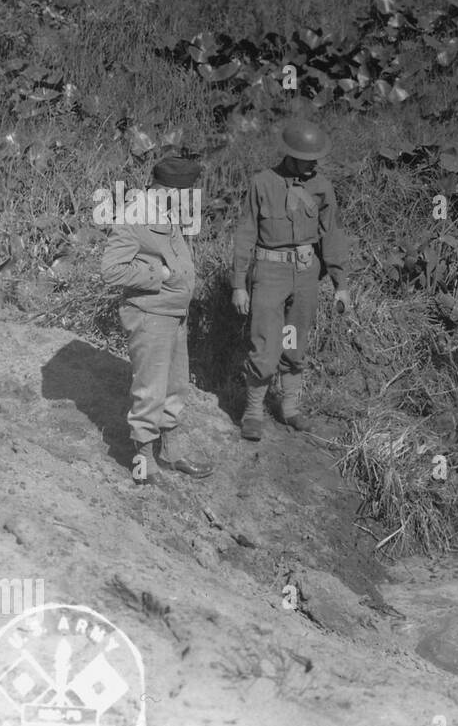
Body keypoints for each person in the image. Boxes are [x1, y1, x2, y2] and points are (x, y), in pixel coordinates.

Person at [232, 120, 351, 440]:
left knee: (294, 343)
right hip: (269, 273)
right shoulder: (263, 183)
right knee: (265, 344)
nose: (313, 163)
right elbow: (246, 233)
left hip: (305, 274)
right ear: (290, 155)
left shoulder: (322, 187)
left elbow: (332, 234)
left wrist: (341, 283)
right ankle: (254, 412)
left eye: (316, 158)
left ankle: (290, 409)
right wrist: (238, 284)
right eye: (307, 157)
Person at [101, 156, 214, 484]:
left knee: (176, 385)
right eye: (184, 193)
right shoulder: (133, 216)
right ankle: (144, 461)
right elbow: (110, 269)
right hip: (150, 315)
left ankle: (172, 452)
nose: (188, 199)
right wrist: (158, 273)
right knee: (150, 389)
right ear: (166, 190)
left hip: (175, 313)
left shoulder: (164, 211)